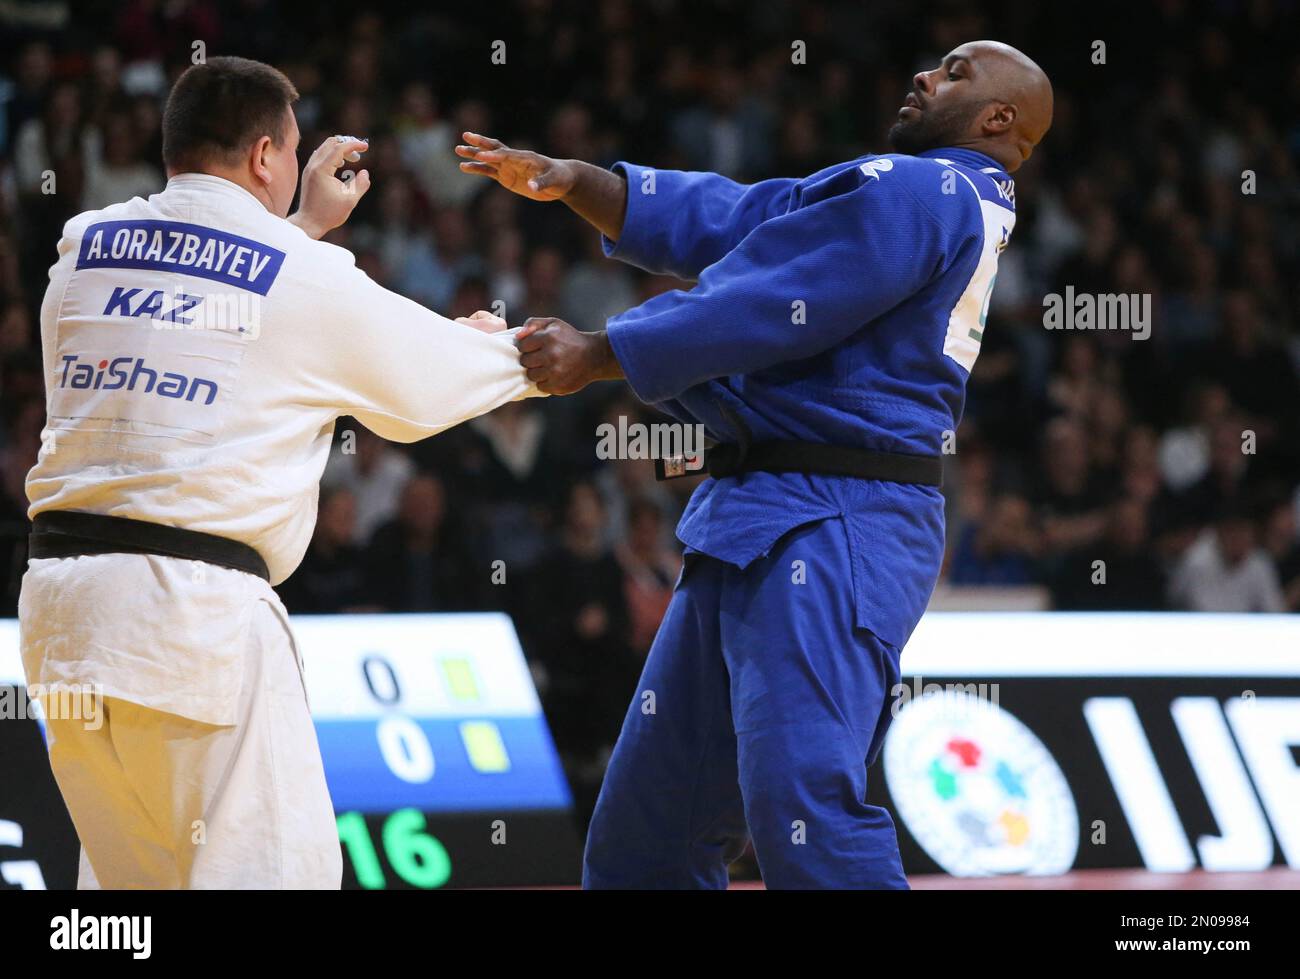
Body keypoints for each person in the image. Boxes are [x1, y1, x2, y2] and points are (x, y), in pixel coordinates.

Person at [458, 40, 1053, 888]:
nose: (924, 75)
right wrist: (583, 182)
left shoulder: (933, 188)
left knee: (803, 809)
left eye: (956, 72)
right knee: (647, 837)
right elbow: (751, 219)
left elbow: (776, 301)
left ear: (1001, 119)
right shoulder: (914, 191)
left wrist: (600, 352)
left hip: (838, 513)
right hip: (757, 510)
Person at [20, 56, 540, 889]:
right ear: (267, 157)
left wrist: (298, 227)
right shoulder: (303, 275)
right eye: (293, 150)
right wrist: (510, 349)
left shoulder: (84, 247)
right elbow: (421, 390)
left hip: (63, 624)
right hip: (193, 621)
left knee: (131, 903)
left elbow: (200, 287)